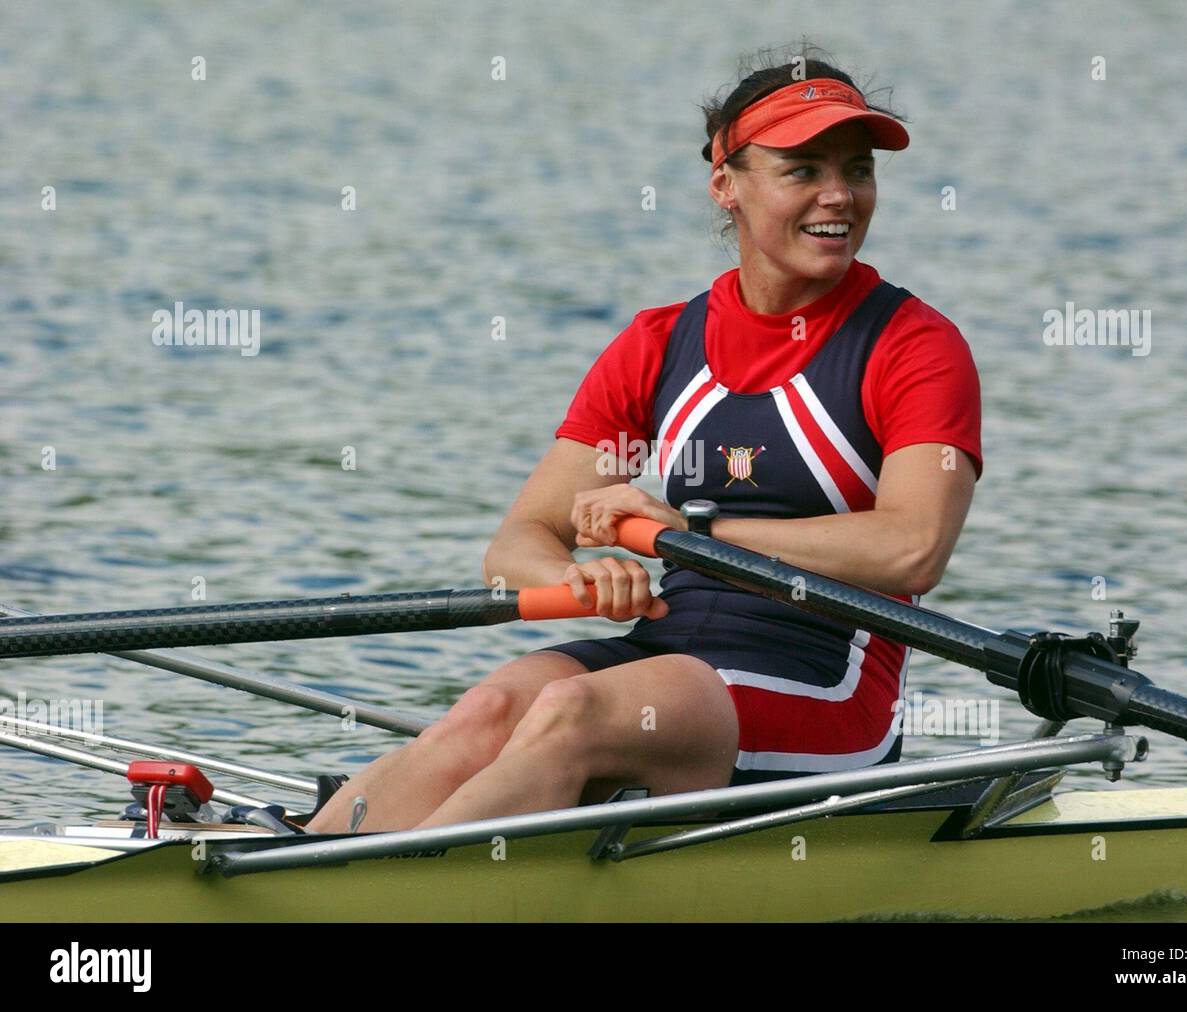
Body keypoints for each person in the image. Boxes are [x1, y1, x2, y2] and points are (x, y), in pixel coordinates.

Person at [307, 50, 981, 834]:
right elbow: (515, 546)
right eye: (802, 170)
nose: (840, 196)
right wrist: (585, 577)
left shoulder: (915, 346)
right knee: (490, 708)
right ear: (726, 184)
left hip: (823, 689)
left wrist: (686, 534)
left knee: (571, 711)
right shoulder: (660, 343)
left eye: (857, 170)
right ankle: (303, 863)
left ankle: (373, 891)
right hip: (662, 657)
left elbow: (912, 549)